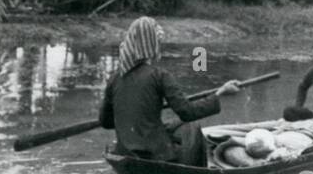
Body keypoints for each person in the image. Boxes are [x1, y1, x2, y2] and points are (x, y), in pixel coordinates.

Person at [99, 17, 241, 166]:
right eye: (158, 43)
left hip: (124, 153)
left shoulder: (114, 78)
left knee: (173, 124)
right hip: (155, 155)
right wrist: (221, 92)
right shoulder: (159, 75)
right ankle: (199, 172)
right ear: (152, 45)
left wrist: (134, 115)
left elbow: (106, 122)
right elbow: (187, 112)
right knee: (191, 127)